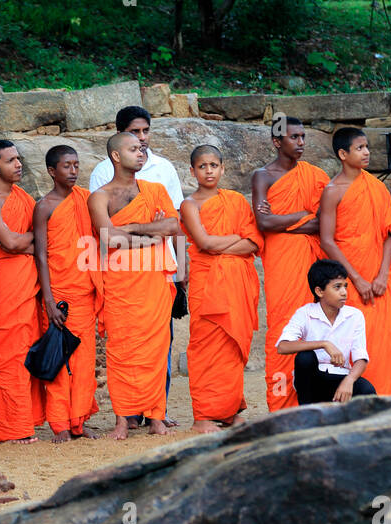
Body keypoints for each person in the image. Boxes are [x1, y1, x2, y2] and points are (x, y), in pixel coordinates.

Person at [89, 104, 184, 425]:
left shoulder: (155, 188)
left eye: (143, 147)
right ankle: (123, 418)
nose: (141, 151)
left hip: (155, 278)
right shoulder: (100, 194)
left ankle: (157, 416)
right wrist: (149, 234)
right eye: (133, 148)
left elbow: (172, 226)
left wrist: (129, 229)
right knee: (122, 347)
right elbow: (106, 240)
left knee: (157, 346)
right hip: (120, 280)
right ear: (116, 156)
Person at [318, 127, 391, 395]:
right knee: (356, 338)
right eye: (360, 148)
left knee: (386, 338)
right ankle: (360, 396)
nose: (367, 152)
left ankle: (388, 395)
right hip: (349, 277)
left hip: (378, 275)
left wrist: (382, 274)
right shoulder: (333, 190)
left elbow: (389, 233)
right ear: (342, 154)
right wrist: (355, 279)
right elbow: (327, 240)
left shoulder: (376, 186)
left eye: (367, 147)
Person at [180, 144, 261, 433]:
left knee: (233, 347)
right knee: (205, 347)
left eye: (214, 165)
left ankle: (229, 411)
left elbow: (254, 242)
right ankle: (202, 416)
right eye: (202, 167)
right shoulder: (190, 205)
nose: (209, 171)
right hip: (208, 283)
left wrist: (223, 243)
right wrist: (235, 239)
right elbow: (204, 243)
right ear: (193, 172)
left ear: (223, 168)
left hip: (237, 282)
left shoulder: (236, 201)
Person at [252, 115, 329, 411]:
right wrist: (301, 217)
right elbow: (263, 221)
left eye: (303, 137)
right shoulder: (264, 176)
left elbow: (323, 221)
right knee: (284, 324)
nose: (300, 143)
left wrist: (286, 221)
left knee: (315, 324)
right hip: (282, 257)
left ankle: (312, 399)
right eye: (293, 137)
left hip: (311, 256)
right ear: (276, 141)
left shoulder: (314, 175)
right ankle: (282, 402)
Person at [0, 139, 44, 443]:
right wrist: (39, 238)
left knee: (25, 350)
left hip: (28, 282)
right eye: (10, 161)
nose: (18, 165)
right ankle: (4, 426)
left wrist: (32, 242)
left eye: (18, 159)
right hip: (3, 282)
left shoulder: (24, 197)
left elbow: (25, 242)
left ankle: (22, 421)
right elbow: (11, 243)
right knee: (4, 352)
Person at [33, 144, 103, 442]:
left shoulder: (85, 200)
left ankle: (79, 421)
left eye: (76, 165)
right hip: (59, 293)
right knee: (60, 359)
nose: (73, 171)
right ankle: (60, 423)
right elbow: (41, 254)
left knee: (85, 363)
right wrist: (48, 298)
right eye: (67, 166)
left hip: (84, 290)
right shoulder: (44, 206)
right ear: (52, 171)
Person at [275, 260, 377, 404]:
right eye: (337, 287)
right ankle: (307, 415)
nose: (344, 292)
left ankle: (360, 426)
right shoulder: (305, 313)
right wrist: (324, 344)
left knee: (367, 390)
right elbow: (282, 347)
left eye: (345, 286)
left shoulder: (355, 315)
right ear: (319, 291)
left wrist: (349, 380)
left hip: (340, 377)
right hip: (311, 381)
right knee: (305, 357)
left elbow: (360, 357)